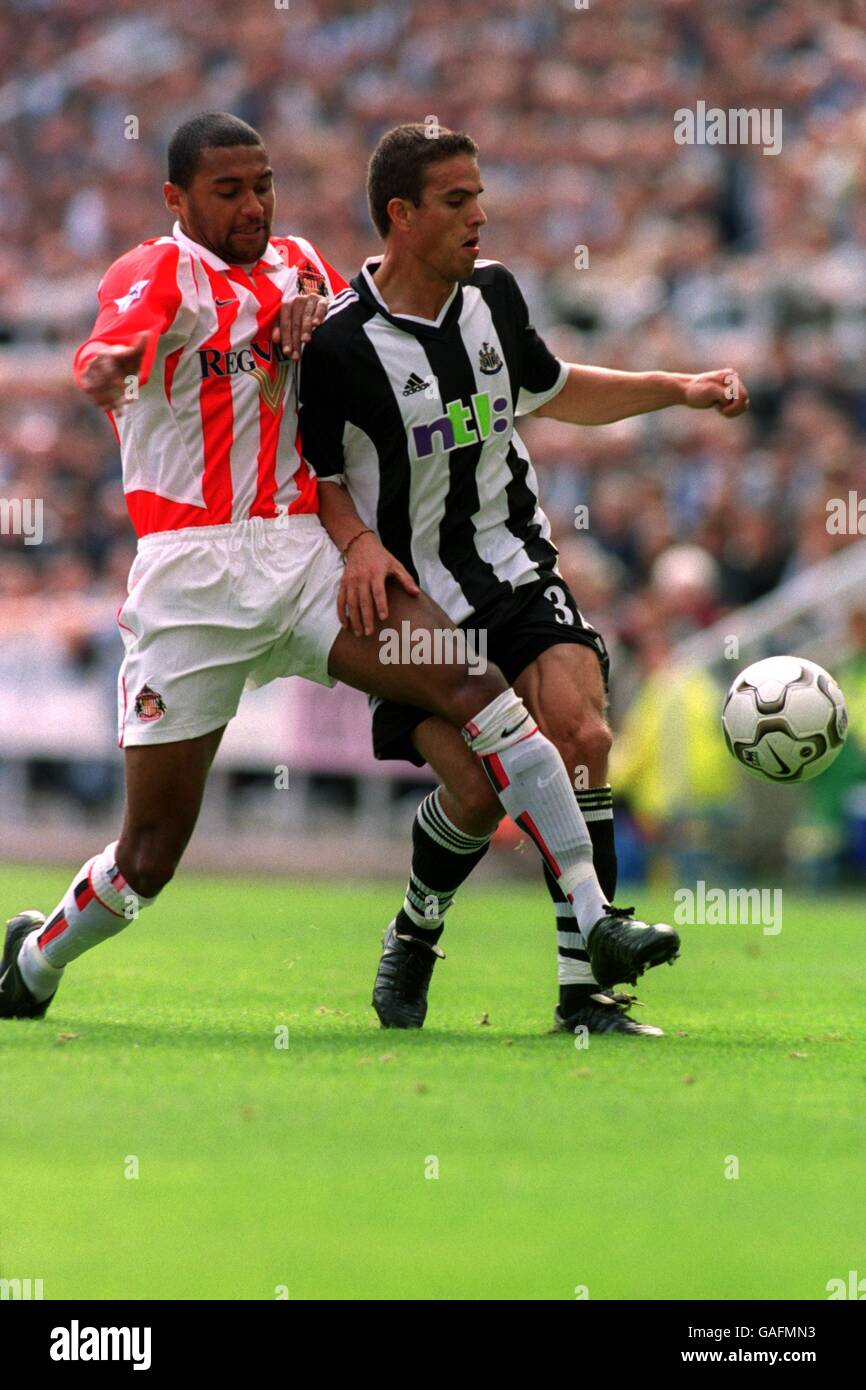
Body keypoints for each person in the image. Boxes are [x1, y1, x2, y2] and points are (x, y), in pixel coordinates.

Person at [1, 113, 678, 1023]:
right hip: (192, 580)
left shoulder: (304, 267)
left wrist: (360, 526)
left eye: (264, 184)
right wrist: (111, 367)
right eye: (228, 190)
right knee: (149, 856)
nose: (254, 204)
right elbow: (108, 349)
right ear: (177, 199)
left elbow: (347, 363)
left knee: (478, 689)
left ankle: (595, 925)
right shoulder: (156, 272)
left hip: (306, 555)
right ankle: (35, 962)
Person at [298, 124, 748, 1036]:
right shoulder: (340, 344)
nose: (480, 215)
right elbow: (316, 476)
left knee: (582, 733)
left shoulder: (493, 296)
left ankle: (588, 994)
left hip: (513, 565)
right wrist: (354, 545)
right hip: (414, 604)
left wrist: (677, 386)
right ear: (401, 215)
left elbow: (551, 387)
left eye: (481, 196)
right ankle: (417, 931)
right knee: (473, 790)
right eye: (458, 202)